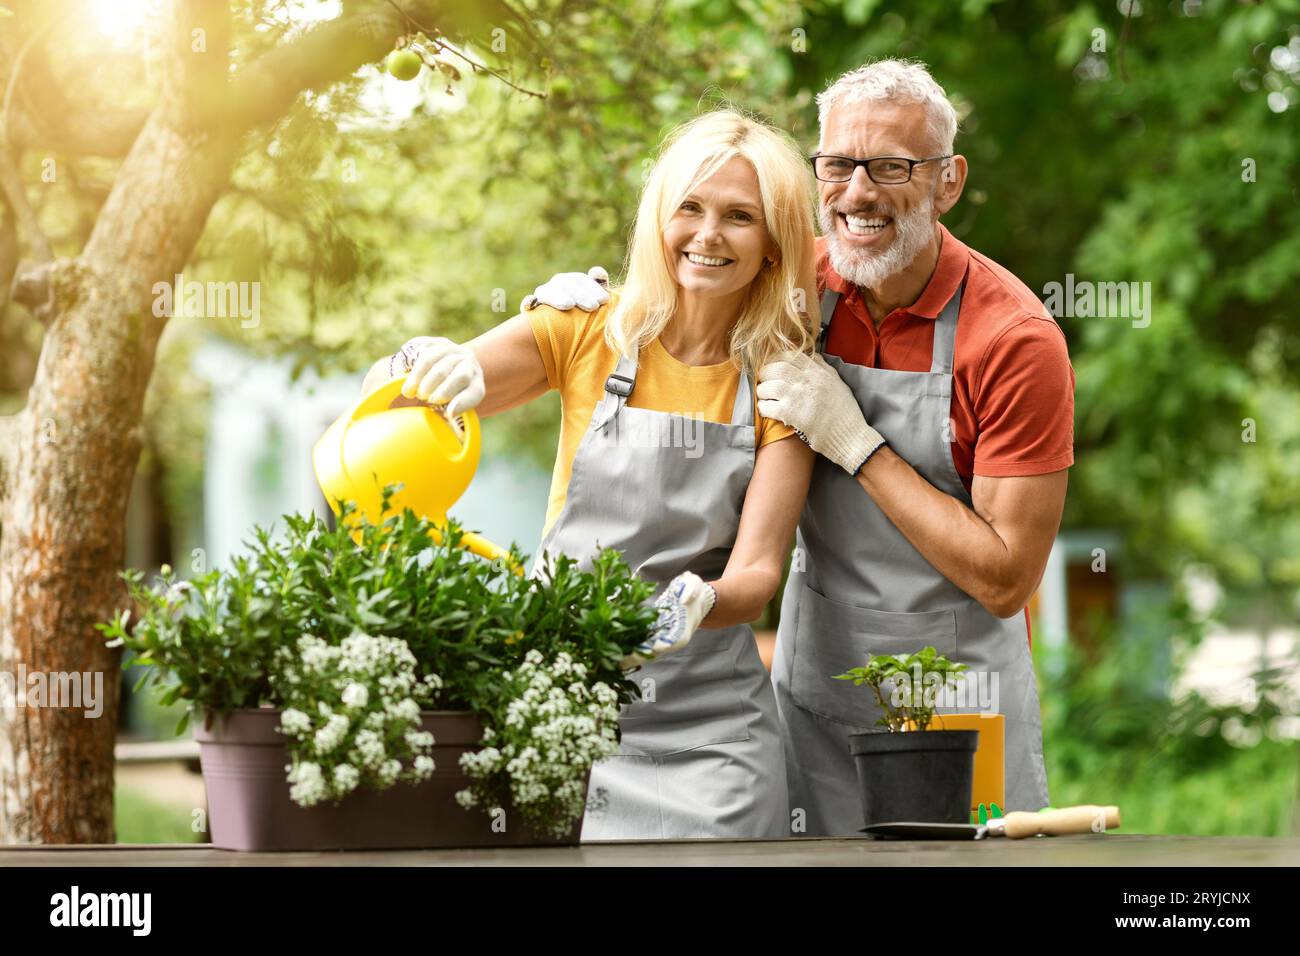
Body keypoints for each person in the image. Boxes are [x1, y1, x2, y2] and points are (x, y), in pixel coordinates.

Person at [523, 59, 1075, 835]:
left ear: (948, 182)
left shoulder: (1014, 341)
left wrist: (857, 444)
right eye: (839, 164)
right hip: (820, 684)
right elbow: (677, 283)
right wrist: (577, 299)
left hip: (957, 706)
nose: (858, 193)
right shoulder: (795, 283)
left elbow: (1007, 580)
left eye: (891, 166)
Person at [361, 109, 819, 840]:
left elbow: (760, 572)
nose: (707, 235)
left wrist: (692, 604)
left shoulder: (783, 384)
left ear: (772, 244)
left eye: (740, 216)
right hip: (564, 713)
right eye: (690, 208)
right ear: (659, 219)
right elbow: (393, 400)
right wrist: (420, 363)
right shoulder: (585, 328)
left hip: (714, 739)